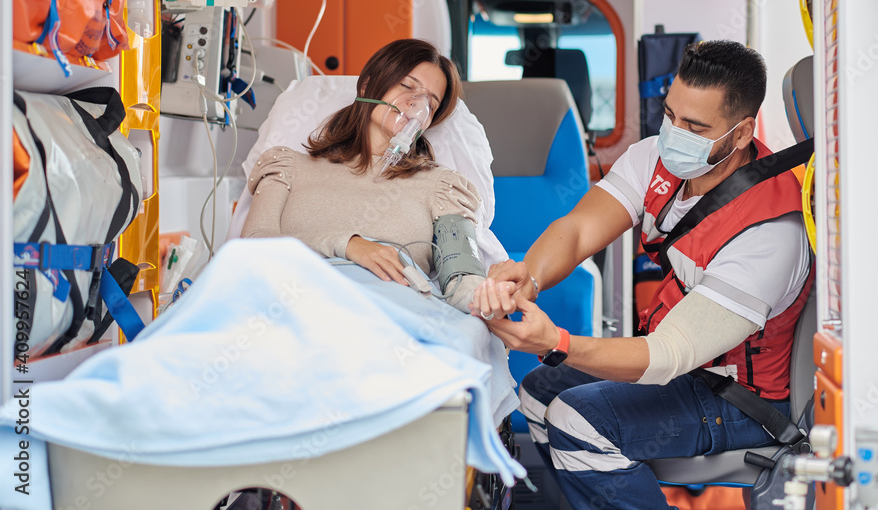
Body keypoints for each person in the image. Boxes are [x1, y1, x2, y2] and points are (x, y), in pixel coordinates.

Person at [470, 40, 813, 509]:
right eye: (671, 115)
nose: (675, 133)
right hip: (690, 372)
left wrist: (555, 343)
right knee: (537, 393)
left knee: (577, 419)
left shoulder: (770, 232)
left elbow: (669, 354)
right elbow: (577, 229)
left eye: (694, 126)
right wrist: (525, 278)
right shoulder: (656, 159)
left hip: (740, 399)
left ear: (741, 133)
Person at [241, 38, 491, 312]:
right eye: (407, 86)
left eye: (430, 104)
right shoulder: (287, 166)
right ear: (366, 86)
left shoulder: (442, 187)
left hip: (389, 321)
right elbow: (251, 247)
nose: (416, 107)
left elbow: (461, 281)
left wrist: (490, 299)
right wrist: (348, 245)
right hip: (289, 311)